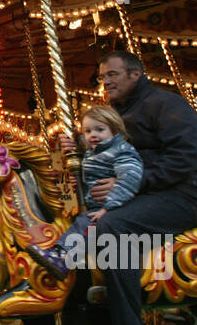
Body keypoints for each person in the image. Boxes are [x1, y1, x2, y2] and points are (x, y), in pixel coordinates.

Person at [39, 51, 197, 325]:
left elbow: (183, 158)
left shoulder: (166, 104)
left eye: (113, 75)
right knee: (78, 250)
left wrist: (128, 183)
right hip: (139, 199)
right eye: (103, 77)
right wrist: (77, 147)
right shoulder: (113, 117)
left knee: (111, 230)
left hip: (183, 194)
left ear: (136, 73)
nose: (106, 82)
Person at [26, 105, 144, 278]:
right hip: (98, 206)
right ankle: (59, 254)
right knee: (78, 222)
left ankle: (64, 259)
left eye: (100, 129)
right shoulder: (95, 152)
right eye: (88, 131)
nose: (92, 135)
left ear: (115, 130)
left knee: (86, 226)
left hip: (116, 207)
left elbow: (129, 180)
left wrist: (108, 208)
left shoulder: (120, 151)